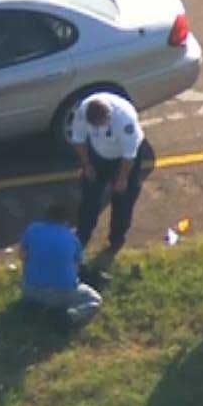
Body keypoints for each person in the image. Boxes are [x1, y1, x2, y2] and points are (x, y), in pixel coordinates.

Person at [71, 92, 146, 254]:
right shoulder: (83, 111)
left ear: (108, 116)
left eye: (101, 124)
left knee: (123, 199)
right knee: (89, 198)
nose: (98, 129)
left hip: (123, 158)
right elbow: (78, 139)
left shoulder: (124, 119)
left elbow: (129, 154)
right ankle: (82, 236)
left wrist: (122, 178)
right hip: (98, 154)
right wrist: (87, 164)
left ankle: (116, 238)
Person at [20, 203, 102, 326]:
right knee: (95, 300)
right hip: (61, 293)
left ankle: (35, 306)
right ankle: (70, 316)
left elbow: (22, 255)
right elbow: (79, 266)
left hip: (30, 289)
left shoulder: (33, 229)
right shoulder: (72, 239)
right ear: (66, 222)